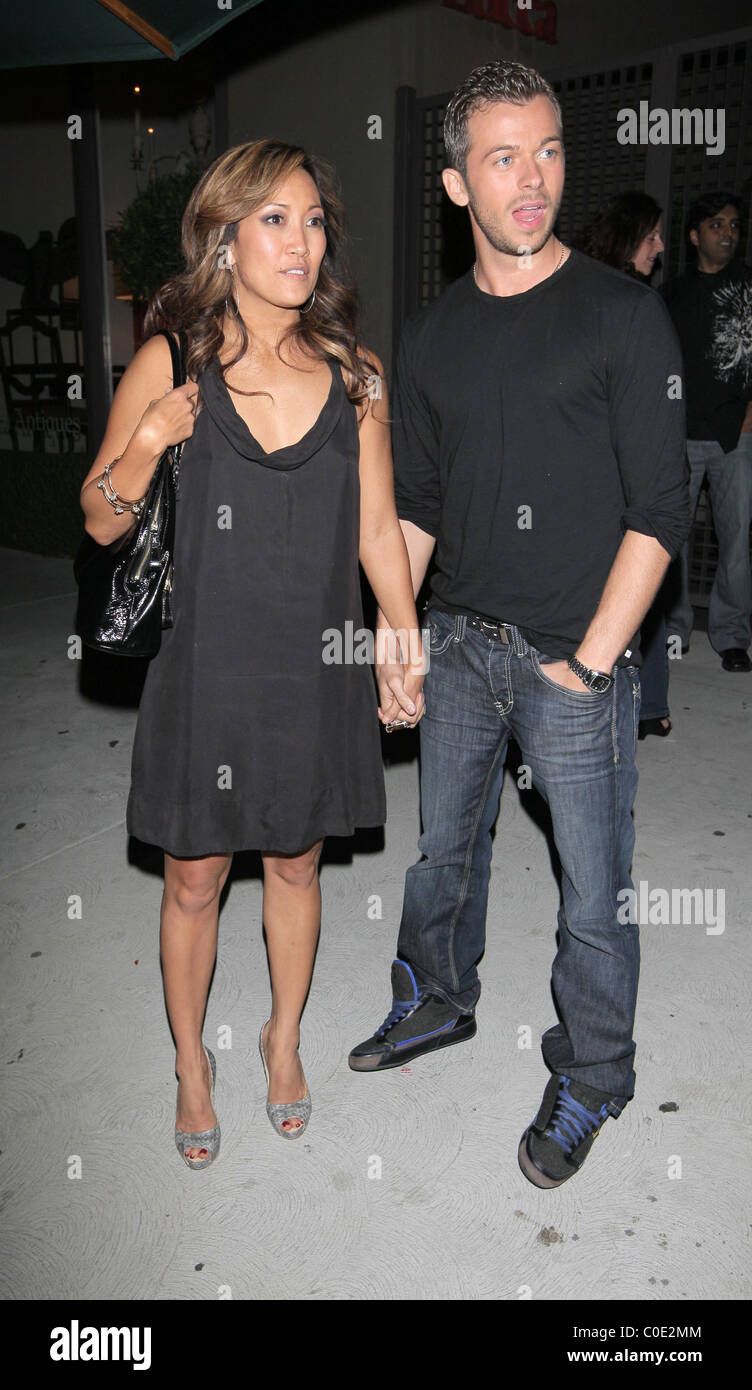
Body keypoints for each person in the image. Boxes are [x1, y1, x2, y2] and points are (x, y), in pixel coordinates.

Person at [348, 60, 689, 1190]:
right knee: (442, 853)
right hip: (458, 641)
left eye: (546, 150)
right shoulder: (433, 334)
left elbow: (659, 511)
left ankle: (594, 1070)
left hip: (571, 657)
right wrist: (398, 631)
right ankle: (436, 997)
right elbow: (418, 504)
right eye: (503, 157)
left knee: (592, 893)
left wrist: (587, 667)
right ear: (456, 183)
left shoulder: (621, 314)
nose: (532, 178)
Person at [79, 139, 425, 1168]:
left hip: (313, 671)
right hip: (205, 672)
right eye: (274, 219)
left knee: (296, 861)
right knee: (193, 879)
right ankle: (192, 1062)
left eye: (313, 220)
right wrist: (148, 442)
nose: (300, 241)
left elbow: (376, 528)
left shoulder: (357, 376)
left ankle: (282, 1039)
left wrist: (400, 636)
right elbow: (99, 519)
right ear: (224, 237)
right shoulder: (171, 362)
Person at [578, 191, 673, 739]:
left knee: (648, 577)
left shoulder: (640, 299)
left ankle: (645, 703)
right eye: (651, 235)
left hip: (638, 468)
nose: (658, 247)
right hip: (602, 476)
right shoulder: (604, 299)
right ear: (627, 235)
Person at [660, 193, 752, 672]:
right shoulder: (671, 294)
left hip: (738, 433)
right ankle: (673, 630)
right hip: (681, 433)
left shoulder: (749, 288)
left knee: (737, 540)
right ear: (695, 235)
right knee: (672, 538)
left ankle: (732, 635)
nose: (727, 233)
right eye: (716, 225)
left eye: (733, 225)